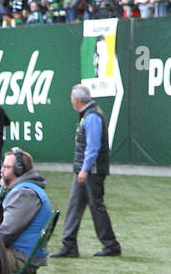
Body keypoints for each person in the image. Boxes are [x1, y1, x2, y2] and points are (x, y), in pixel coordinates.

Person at [50, 85, 121, 259]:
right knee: (76, 206)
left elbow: (93, 147)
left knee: (95, 207)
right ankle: (69, 245)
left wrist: (84, 169)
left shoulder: (92, 117)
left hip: (91, 171)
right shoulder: (91, 115)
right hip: (88, 170)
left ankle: (110, 244)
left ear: (77, 100)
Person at [0, 148, 52, 274]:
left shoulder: (24, 193)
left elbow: (5, 232)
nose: (1, 171)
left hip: (20, 256)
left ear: (18, 169)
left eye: (6, 167)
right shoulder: (26, 189)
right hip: (20, 253)